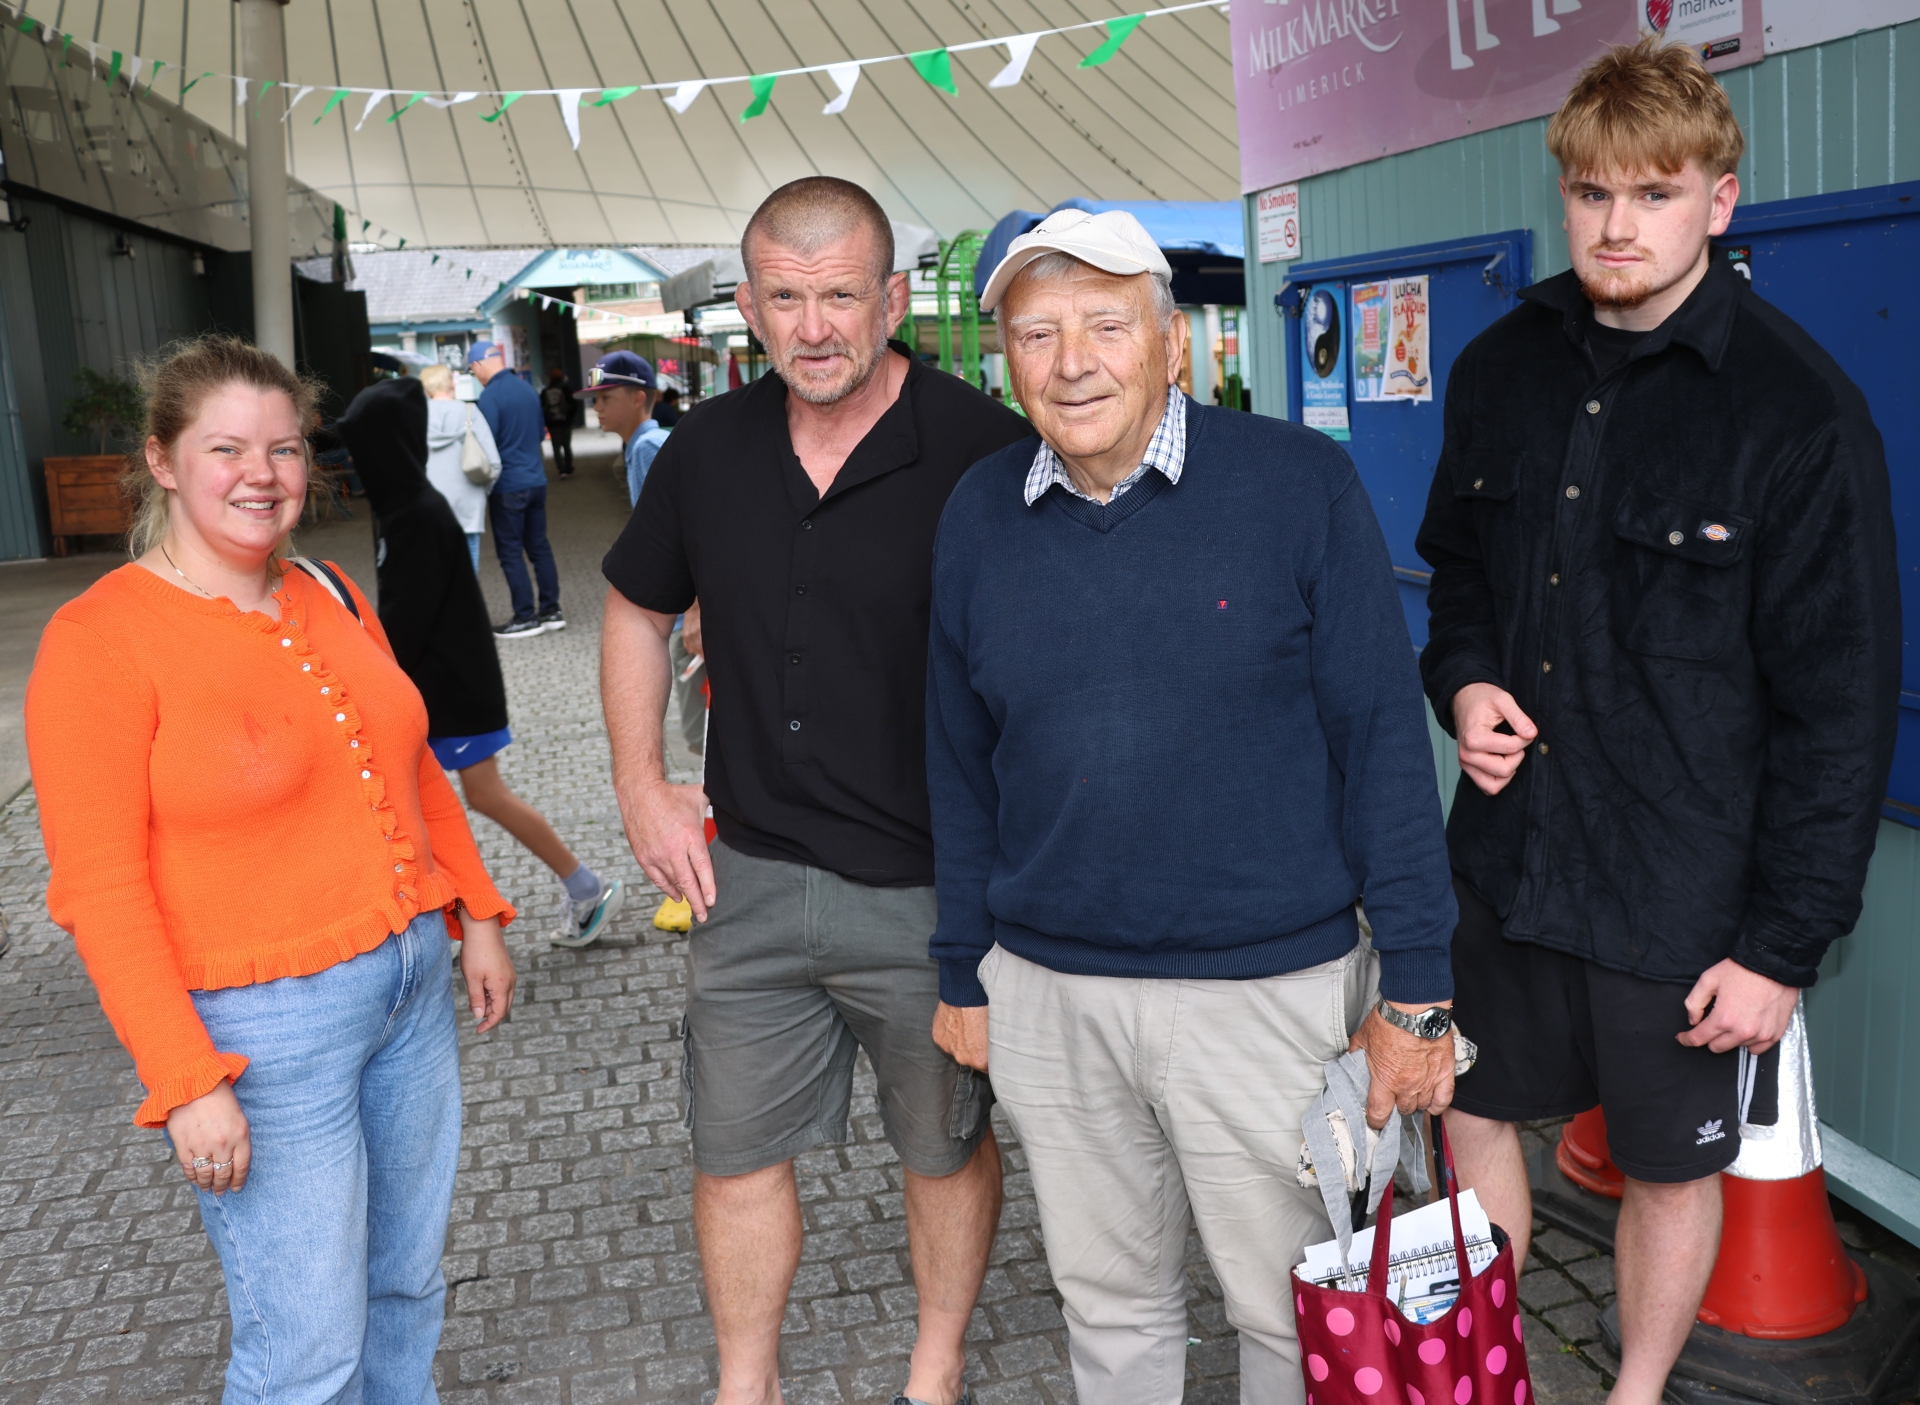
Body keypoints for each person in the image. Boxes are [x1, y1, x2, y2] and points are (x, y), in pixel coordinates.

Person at [1415, 39, 1899, 1405]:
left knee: (1673, 1169)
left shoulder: (1801, 414)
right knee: (1470, 1105)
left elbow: (1838, 705)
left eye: (1655, 193)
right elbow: (1456, 566)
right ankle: (1489, 1369)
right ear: (1562, 196)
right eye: (1590, 194)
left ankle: (1633, 1394)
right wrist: (1460, 682)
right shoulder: (1500, 364)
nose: (1618, 225)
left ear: (1720, 201)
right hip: (1506, 858)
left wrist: (1780, 947)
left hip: (1679, 887)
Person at [926, 207, 1460, 1405]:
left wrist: (1419, 988)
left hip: (1267, 995)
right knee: (1107, 1302)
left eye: (1107, 325)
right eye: (1037, 333)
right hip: (1052, 993)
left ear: (1172, 341)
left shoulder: (1298, 485)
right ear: (1004, 356)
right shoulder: (976, 515)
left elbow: (1383, 739)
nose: (1072, 362)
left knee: (1291, 1308)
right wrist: (964, 970)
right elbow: (958, 762)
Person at [600, 176, 1030, 1405]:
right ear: (748, 306)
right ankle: (750, 1386)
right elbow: (633, 606)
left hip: (931, 889)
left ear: (892, 297)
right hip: (750, 878)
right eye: (786, 300)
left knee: (941, 1147)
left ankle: (934, 1374)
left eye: (842, 295)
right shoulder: (705, 452)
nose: (817, 326)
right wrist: (641, 782)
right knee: (732, 1153)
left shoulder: (981, 451)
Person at [24, 335, 519, 1400]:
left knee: (405, 1289)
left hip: (406, 991)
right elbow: (99, 889)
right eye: (227, 448)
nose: (263, 474)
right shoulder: (98, 640)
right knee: (305, 1347)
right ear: (162, 461)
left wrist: (474, 906)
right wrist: (184, 1077)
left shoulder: (329, 588)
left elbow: (411, 761)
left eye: (286, 448)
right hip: (260, 1033)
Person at [337, 375, 627, 950]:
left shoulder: (418, 512)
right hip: (432, 689)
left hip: (456, 691)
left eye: (361, 447)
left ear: (383, 447)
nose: (354, 460)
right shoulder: (401, 508)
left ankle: (582, 888)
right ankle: (444, 919)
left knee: (480, 797)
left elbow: (406, 620)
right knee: (416, 804)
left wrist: (368, 672)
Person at [469, 340, 563, 638]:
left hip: (507, 486)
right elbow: (538, 434)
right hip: (536, 480)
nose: (475, 377)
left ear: (480, 365)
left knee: (510, 553)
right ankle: (551, 611)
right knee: (539, 547)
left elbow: (486, 444)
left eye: (473, 371)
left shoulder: (489, 397)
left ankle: (525, 617)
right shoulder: (527, 389)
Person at [420, 360, 500, 572]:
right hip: (468, 507)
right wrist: (482, 492)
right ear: (450, 384)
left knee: (434, 575)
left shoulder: (415, 417)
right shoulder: (469, 412)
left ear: (426, 388)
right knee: (467, 577)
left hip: (429, 509)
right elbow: (494, 464)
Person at [580, 349, 671, 510]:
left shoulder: (646, 447)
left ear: (637, 399)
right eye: (595, 399)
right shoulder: (648, 443)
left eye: (605, 397)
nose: (597, 407)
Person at [541, 365, 577, 480]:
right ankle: (568, 466)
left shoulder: (545, 391)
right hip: (565, 422)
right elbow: (574, 404)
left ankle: (561, 470)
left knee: (556, 447)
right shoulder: (566, 390)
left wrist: (546, 421)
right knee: (567, 446)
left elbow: (541, 407)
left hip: (552, 424)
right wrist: (570, 418)